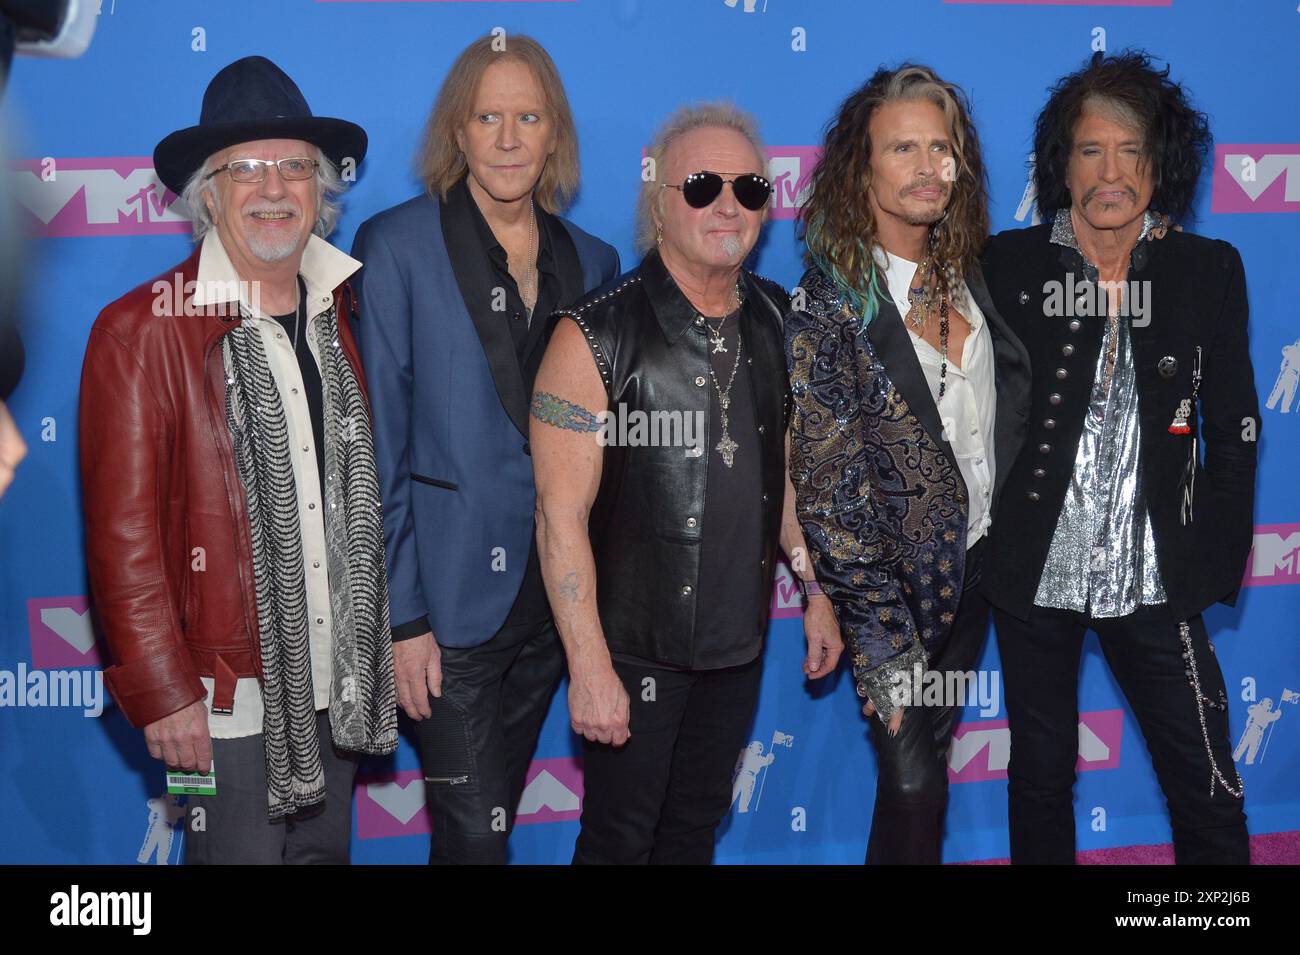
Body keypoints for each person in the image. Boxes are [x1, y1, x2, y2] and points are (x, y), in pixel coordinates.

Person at [79, 56, 396, 864]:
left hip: (340, 685)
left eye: (294, 166)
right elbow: (124, 543)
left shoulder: (350, 310)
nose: (273, 188)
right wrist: (163, 694)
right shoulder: (142, 330)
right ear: (206, 194)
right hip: (214, 707)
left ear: (323, 190)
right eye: (244, 168)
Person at [531, 102, 842, 864]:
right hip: (634, 651)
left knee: (694, 834)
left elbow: (789, 483)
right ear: (659, 203)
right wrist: (590, 664)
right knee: (617, 841)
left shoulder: (776, 319)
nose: (727, 204)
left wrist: (818, 590)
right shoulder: (593, 334)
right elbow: (558, 516)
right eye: (702, 186)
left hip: (736, 649)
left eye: (749, 188)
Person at [979, 50, 1258, 864]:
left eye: (1131, 151)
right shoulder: (1009, 265)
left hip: (1157, 576)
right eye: (1090, 150)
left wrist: (1209, 561)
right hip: (1034, 570)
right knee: (1038, 776)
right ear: (1060, 166)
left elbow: (1236, 425)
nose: (1111, 172)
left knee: (1206, 782)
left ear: (1159, 163)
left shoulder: (1206, 271)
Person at [350, 33, 619, 864]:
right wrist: (403, 620)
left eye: (528, 116)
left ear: (554, 135)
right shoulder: (393, 246)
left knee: (488, 820)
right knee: (473, 836)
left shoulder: (596, 260)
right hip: (445, 609)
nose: (508, 138)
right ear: (456, 134)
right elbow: (377, 447)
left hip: (553, 606)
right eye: (487, 117)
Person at [787, 64, 1030, 864]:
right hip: (888, 598)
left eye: (942, 147)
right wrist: (885, 643)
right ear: (863, 170)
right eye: (904, 149)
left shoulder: (978, 277)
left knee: (915, 787)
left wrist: (1153, 227)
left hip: (979, 577)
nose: (929, 167)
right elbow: (831, 501)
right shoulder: (830, 305)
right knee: (919, 781)